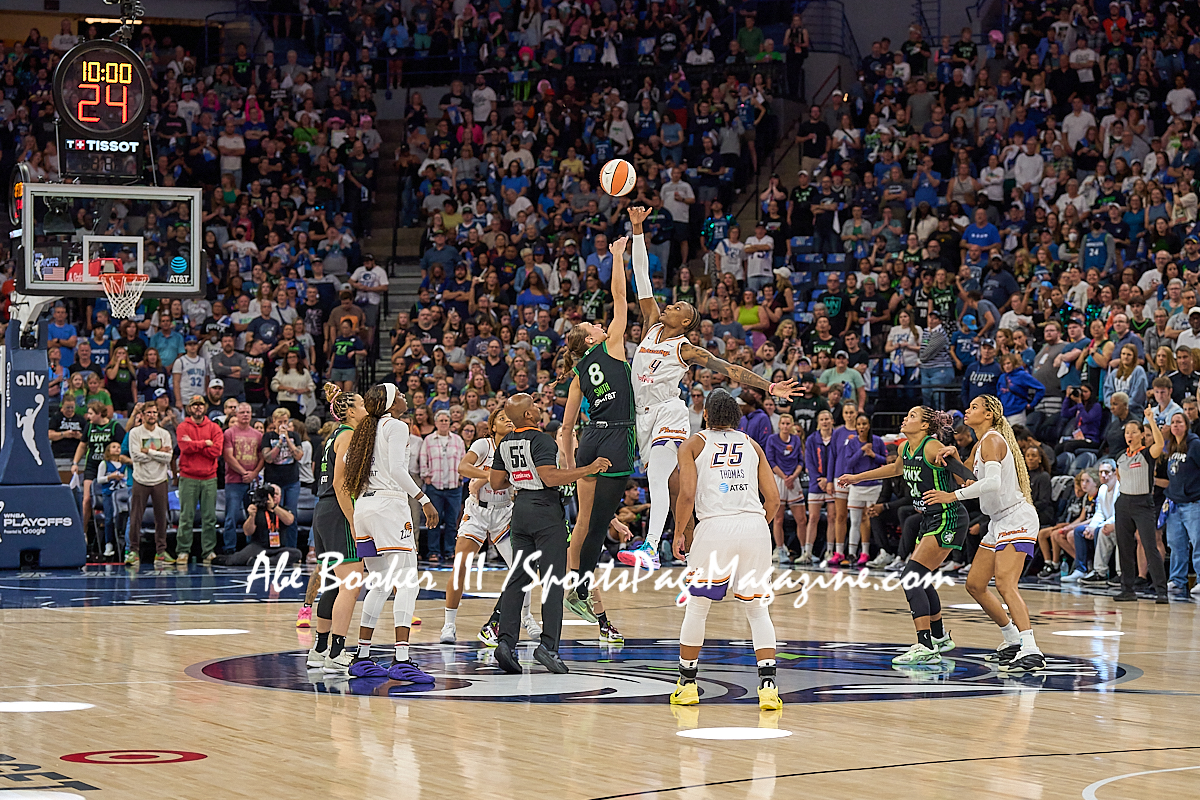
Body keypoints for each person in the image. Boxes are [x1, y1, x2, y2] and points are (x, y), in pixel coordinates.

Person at [619, 207, 798, 570]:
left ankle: (652, 547)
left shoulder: (686, 347)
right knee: (671, 486)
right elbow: (641, 277)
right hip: (640, 413)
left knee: (658, 477)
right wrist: (638, 230)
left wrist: (769, 386)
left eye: (678, 306)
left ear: (685, 321)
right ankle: (693, 542)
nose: (669, 304)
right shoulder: (652, 325)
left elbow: (729, 368)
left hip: (669, 410)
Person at [669, 388, 782, 711]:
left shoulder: (693, 443)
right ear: (737, 417)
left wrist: (679, 532)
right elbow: (773, 499)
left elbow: (687, 495)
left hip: (714, 527)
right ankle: (768, 687)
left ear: (705, 414)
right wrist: (757, 524)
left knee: (698, 607)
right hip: (754, 526)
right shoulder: (753, 444)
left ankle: (688, 684)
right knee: (758, 610)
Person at [838, 406, 974, 666]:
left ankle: (925, 645)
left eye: (912, 416)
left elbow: (963, 476)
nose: (905, 418)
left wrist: (968, 481)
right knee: (919, 576)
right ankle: (939, 638)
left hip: (948, 515)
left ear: (924, 426)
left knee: (911, 575)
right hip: (930, 518)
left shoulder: (932, 447)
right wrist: (857, 478)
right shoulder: (904, 448)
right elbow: (894, 470)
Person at [488, 393, 610, 675]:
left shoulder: (505, 442)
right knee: (553, 581)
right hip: (545, 509)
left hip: (520, 511)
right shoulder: (541, 440)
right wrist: (588, 469)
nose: (538, 407)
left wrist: (519, 475)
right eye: (534, 405)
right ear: (529, 416)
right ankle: (549, 647)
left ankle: (505, 643)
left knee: (518, 578)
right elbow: (549, 477)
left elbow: (496, 481)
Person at [931, 395, 1046, 672]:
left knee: (1006, 584)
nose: (967, 410)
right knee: (975, 584)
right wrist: (955, 458)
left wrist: (951, 497)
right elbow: (968, 477)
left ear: (989, 415)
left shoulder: (993, 440)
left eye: (974, 407)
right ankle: (1012, 639)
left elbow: (991, 483)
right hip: (998, 521)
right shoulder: (980, 444)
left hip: (1016, 517)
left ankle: (1032, 649)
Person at [557, 232, 634, 642]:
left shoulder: (576, 374)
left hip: (589, 440)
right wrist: (617, 256)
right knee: (599, 521)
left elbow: (566, 426)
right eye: (595, 325)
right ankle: (582, 588)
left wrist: (571, 464)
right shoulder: (615, 347)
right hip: (617, 438)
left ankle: (577, 585)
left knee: (585, 520)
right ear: (592, 340)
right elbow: (621, 299)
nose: (603, 324)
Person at [338, 383, 438, 678]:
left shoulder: (364, 431)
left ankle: (363, 656)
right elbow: (396, 469)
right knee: (407, 582)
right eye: (401, 394)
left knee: (379, 583)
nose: (406, 397)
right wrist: (424, 499)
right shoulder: (395, 425)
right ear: (391, 402)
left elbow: (344, 464)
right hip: (390, 508)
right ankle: (402, 660)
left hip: (364, 511)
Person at [441, 407, 542, 646]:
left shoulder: (518, 446)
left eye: (510, 417)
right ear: (492, 426)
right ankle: (449, 624)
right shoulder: (483, 445)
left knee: (522, 567)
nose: (507, 420)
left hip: (504, 510)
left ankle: (526, 616)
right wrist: (489, 476)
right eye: (501, 418)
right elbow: (463, 468)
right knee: (461, 566)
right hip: (477, 511)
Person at [305, 385, 369, 672]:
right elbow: (341, 484)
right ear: (351, 412)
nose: (367, 408)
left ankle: (319, 649)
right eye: (362, 404)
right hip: (338, 511)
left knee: (332, 582)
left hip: (323, 510)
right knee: (352, 583)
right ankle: (337, 652)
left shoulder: (334, 435)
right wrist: (354, 521)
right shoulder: (348, 436)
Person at [1113, 410, 1169, 603]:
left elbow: (1160, 444)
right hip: (1123, 503)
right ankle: (1127, 589)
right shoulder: (1120, 456)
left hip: (1143, 503)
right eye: (1127, 432)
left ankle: (1161, 590)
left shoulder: (1146, 454)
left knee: (1149, 545)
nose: (1129, 435)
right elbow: (1120, 477)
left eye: (1133, 432)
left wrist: (1151, 421)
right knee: (1125, 547)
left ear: (1141, 435)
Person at [831, 413, 887, 567]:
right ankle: (851, 553)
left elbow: (887, 461)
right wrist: (861, 451)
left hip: (874, 485)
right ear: (856, 426)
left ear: (869, 425)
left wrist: (873, 454)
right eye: (859, 424)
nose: (862, 427)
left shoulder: (878, 441)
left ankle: (866, 552)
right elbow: (848, 464)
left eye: (865, 424)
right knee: (854, 520)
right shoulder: (852, 443)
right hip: (856, 486)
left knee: (868, 520)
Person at [174, 395, 224, 565]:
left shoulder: (214, 427)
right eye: (194, 405)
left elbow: (216, 451)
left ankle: (208, 551)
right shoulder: (182, 427)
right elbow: (184, 448)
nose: (197, 408)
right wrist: (205, 443)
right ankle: (183, 551)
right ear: (189, 408)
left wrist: (195, 444)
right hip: (188, 477)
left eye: (200, 405)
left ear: (205, 407)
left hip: (210, 477)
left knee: (209, 517)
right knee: (186, 517)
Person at [127, 404, 174, 568]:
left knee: (161, 518)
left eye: (155, 412)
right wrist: (160, 451)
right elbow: (136, 456)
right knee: (136, 517)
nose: (152, 415)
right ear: (142, 415)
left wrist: (150, 451)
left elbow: (168, 458)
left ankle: (161, 552)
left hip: (160, 479)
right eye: (149, 413)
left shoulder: (164, 433)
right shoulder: (135, 433)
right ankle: (133, 552)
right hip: (140, 479)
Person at [71, 401, 121, 553]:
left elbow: (122, 446)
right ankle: (82, 532)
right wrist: (75, 462)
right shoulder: (90, 427)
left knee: (110, 500)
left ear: (99, 414)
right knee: (86, 499)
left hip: (109, 465)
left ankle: (112, 537)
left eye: (91, 413)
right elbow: (82, 445)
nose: (88, 416)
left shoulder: (114, 427)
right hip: (92, 466)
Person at [419, 409, 467, 563]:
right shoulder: (428, 440)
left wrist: (461, 476)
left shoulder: (458, 440)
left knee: (452, 521)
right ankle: (433, 551)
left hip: (454, 486)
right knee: (434, 520)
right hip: (435, 486)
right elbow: (423, 459)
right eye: (441, 420)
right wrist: (426, 476)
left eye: (446, 420)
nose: (444, 423)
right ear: (435, 423)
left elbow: (463, 459)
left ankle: (449, 550)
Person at [214, 483, 303, 567]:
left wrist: (274, 507)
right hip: (258, 547)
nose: (273, 496)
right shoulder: (258, 510)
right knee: (234, 561)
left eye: (276, 494)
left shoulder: (283, 510)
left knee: (296, 554)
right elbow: (247, 532)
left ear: (280, 497)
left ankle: (262, 562)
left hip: (278, 549)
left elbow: (289, 520)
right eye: (270, 494)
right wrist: (251, 516)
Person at [1163, 412, 1200, 601]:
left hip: (1193, 502)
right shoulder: (1171, 446)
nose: (1175, 425)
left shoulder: (1195, 444)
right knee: (1176, 544)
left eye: (1179, 422)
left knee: (1198, 543)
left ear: (1186, 425)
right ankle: (1177, 579)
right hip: (1175, 503)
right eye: (1173, 422)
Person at [222, 403, 264, 553]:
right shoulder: (229, 433)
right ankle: (229, 548)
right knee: (231, 517)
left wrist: (253, 474)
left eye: (248, 412)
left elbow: (262, 457)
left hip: (252, 482)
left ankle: (252, 547)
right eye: (242, 412)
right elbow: (228, 456)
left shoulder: (258, 435)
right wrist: (243, 472)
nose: (245, 415)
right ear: (236, 415)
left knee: (252, 515)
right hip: (234, 481)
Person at [765, 413, 806, 566]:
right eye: (783, 423)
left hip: (794, 480)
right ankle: (780, 549)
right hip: (779, 480)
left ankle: (804, 551)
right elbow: (771, 461)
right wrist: (784, 477)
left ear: (792, 425)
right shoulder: (772, 439)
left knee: (801, 519)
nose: (786, 426)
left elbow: (801, 461)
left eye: (788, 423)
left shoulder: (796, 439)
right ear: (779, 425)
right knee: (779, 518)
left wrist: (793, 477)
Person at [262, 408, 305, 548]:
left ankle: (292, 549)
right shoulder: (268, 437)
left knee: (291, 515)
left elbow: (299, 455)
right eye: (280, 422)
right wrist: (280, 443)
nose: (283, 424)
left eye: (286, 421)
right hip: (274, 481)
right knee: (275, 514)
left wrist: (288, 440)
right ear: (274, 421)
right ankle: (276, 548)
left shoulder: (294, 436)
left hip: (292, 481)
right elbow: (268, 458)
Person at [802, 409, 836, 565]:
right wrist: (818, 480)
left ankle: (830, 551)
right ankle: (807, 552)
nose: (825, 421)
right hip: (816, 484)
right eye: (822, 419)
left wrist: (828, 480)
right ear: (818, 422)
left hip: (832, 483)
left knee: (832, 517)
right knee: (813, 518)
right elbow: (808, 462)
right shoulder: (811, 439)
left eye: (827, 418)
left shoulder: (836, 437)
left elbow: (837, 461)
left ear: (832, 421)